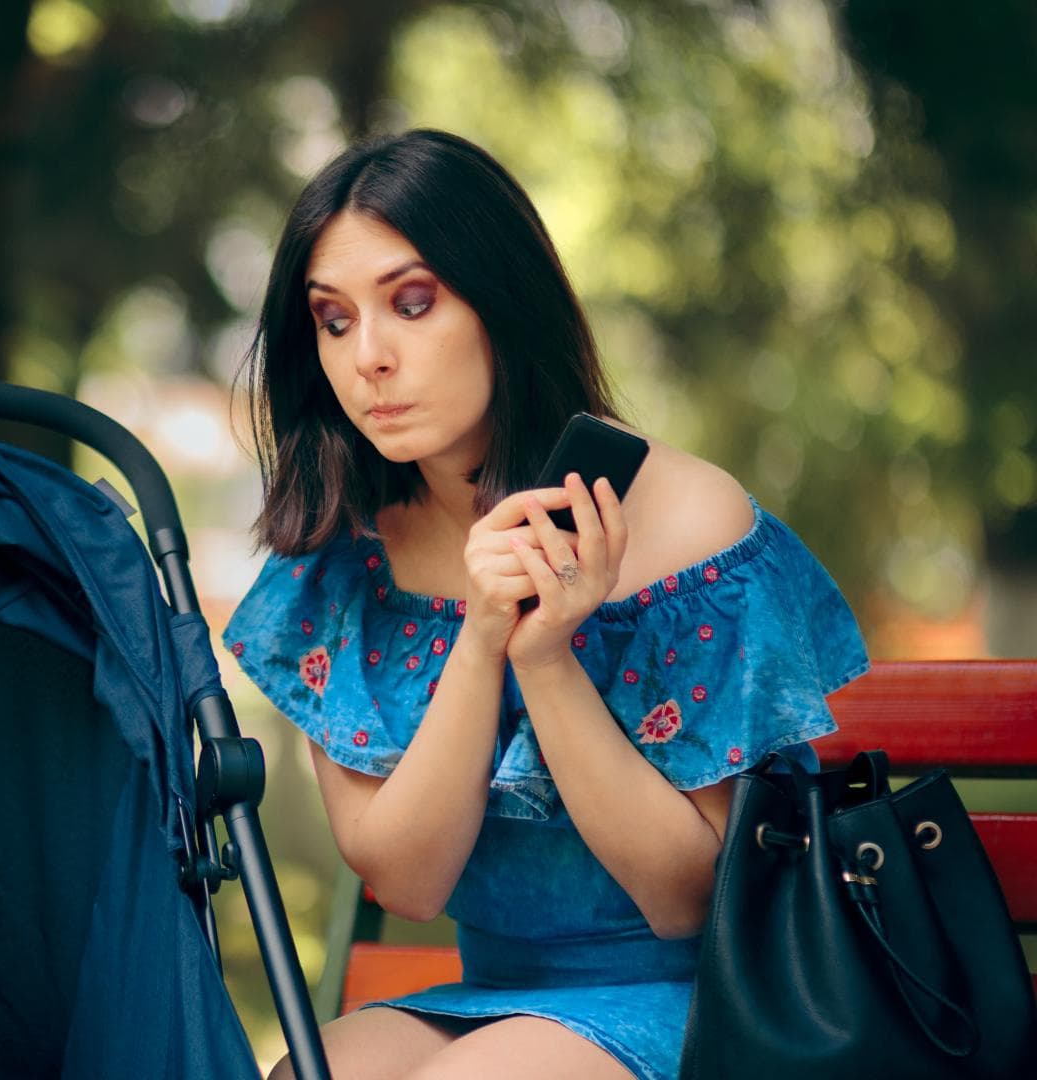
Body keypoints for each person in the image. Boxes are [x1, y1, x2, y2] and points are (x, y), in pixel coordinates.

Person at [224, 130, 870, 1080]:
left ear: (501, 300)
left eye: (412, 303)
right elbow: (407, 881)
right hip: (489, 994)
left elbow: (685, 901)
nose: (370, 358)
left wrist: (545, 653)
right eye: (332, 320)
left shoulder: (688, 525)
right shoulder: (342, 556)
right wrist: (484, 638)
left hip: (711, 999)